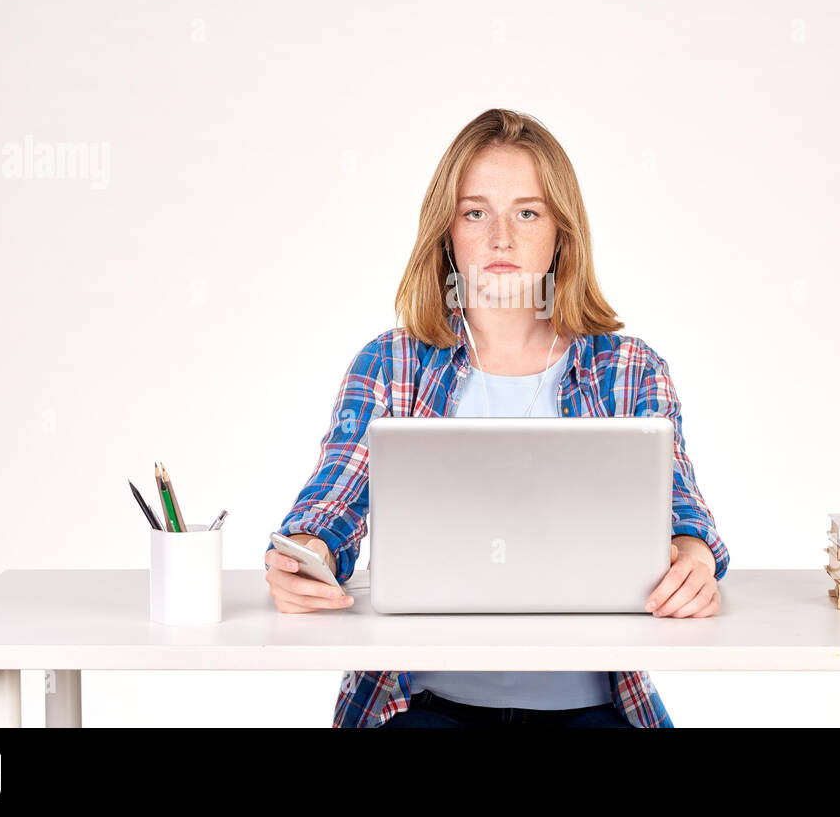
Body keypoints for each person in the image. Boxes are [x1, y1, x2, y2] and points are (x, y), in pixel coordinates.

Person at [265, 108, 730, 727]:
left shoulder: (628, 368)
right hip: (421, 706)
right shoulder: (391, 363)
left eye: (528, 212)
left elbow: (683, 511)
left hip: (591, 705)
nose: (501, 238)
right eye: (476, 212)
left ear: (562, 232)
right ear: (447, 232)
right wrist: (305, 551)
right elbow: (334, 500)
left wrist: (694, 555)